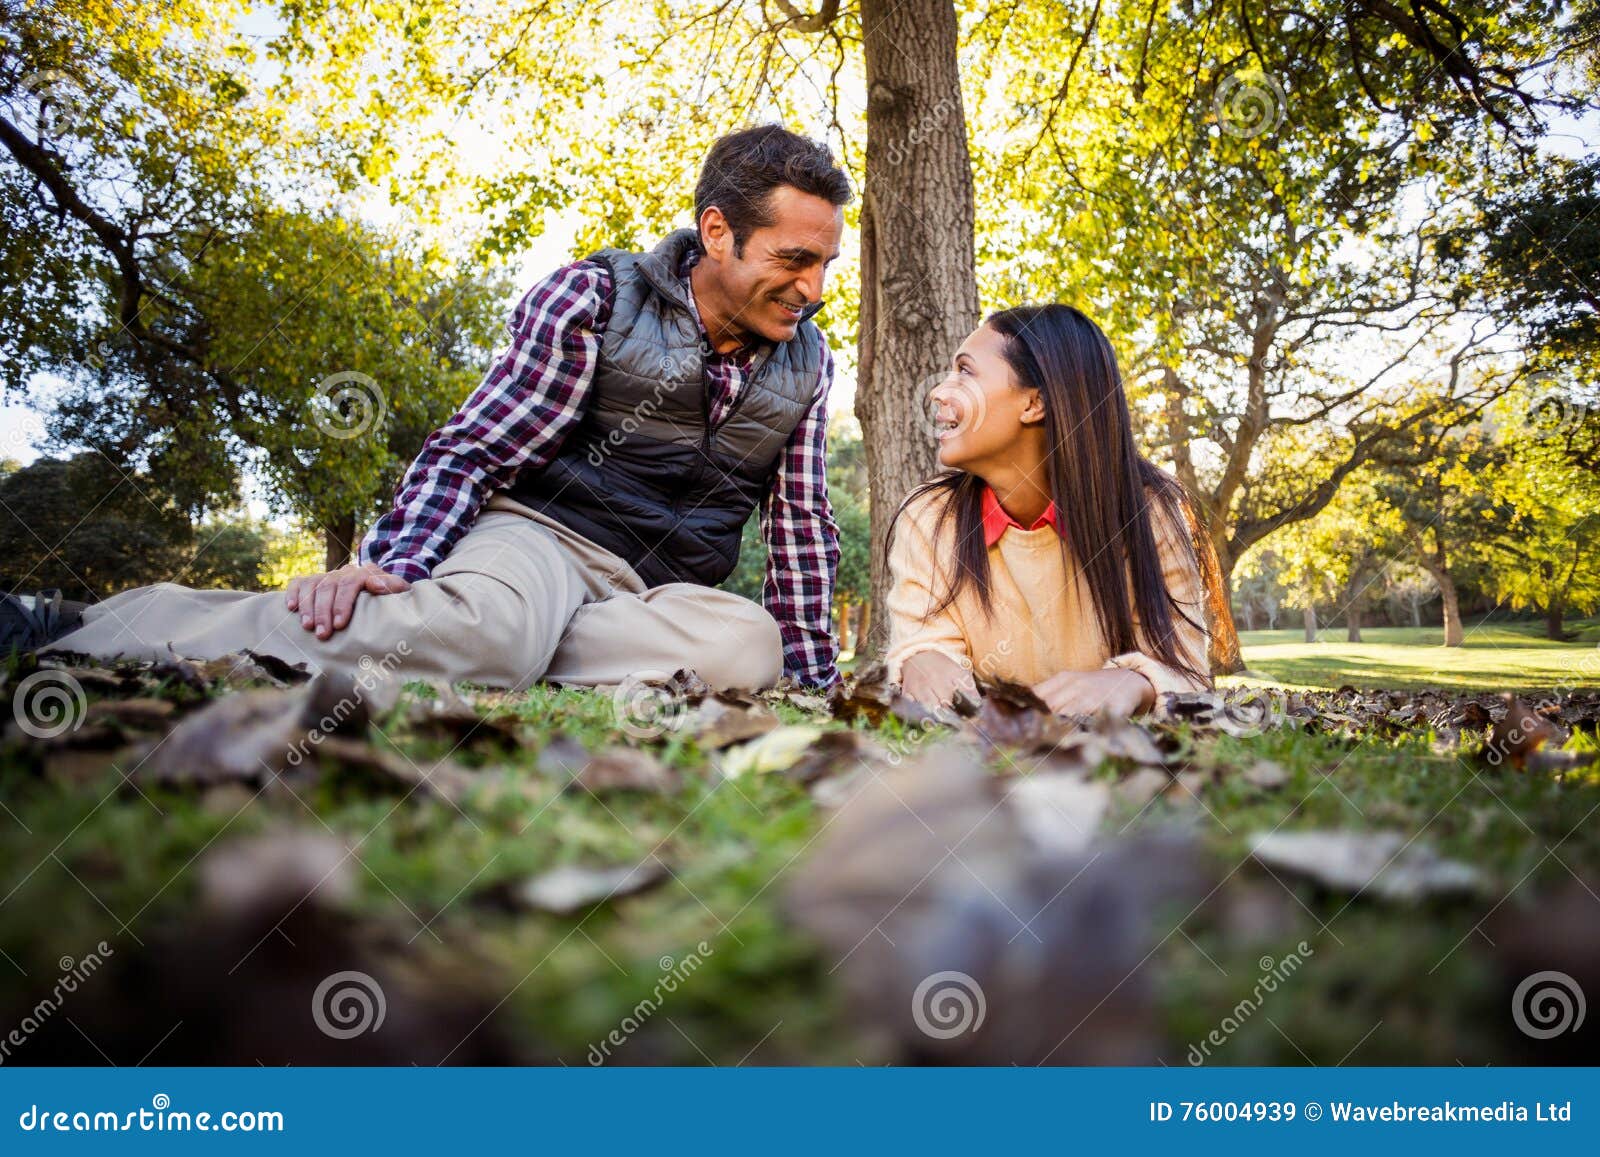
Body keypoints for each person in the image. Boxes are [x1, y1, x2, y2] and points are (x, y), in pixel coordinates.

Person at [15, 125, 849, 692]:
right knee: (490, 621)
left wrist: (814, 685)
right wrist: (398, 566)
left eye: (826, 264)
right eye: (795, 258)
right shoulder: (596, 297)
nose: (812, 289)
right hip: (540, 542)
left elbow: (804, 524)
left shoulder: (809, 364)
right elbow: (479, 447)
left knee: (746, 649)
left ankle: (495, 646)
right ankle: (91, 626)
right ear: (716, 233)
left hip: (653, 595)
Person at [886, 303, 1212, 716]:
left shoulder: (1148, 512)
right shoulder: (930, 516)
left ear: (1034, 404)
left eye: (965, 371)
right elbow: (922, 641)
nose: (938, 391)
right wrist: (922, 657)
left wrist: (1135, 683)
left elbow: (1188, 672)